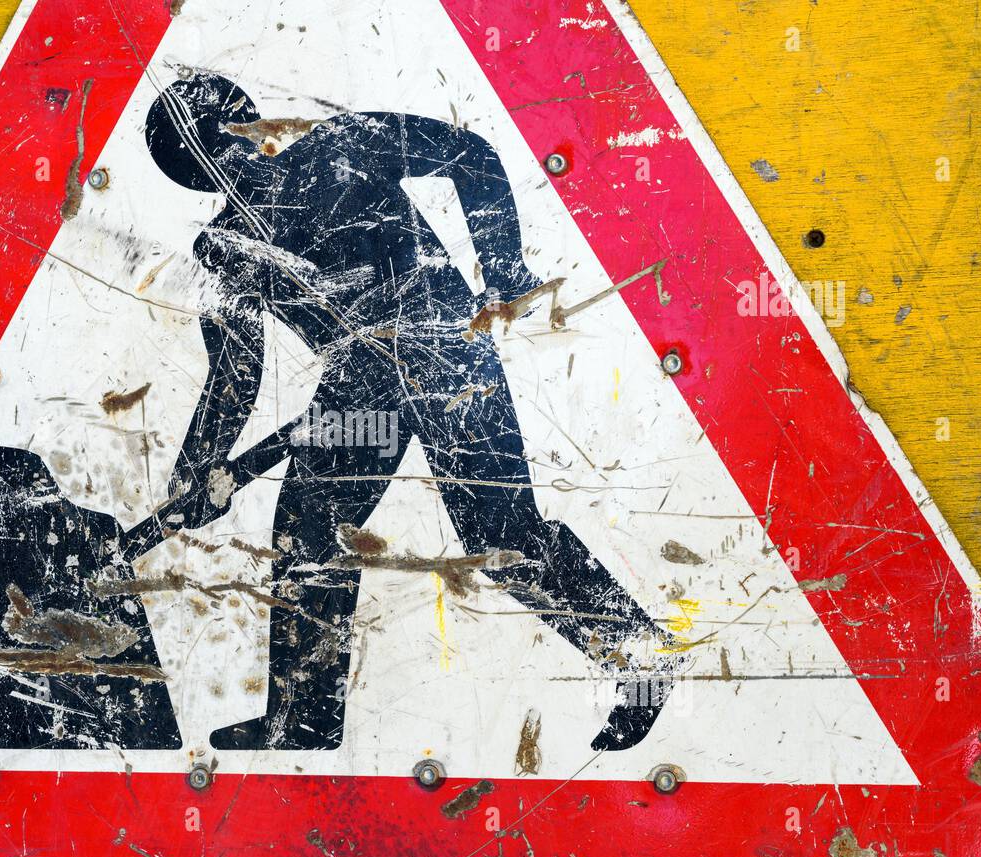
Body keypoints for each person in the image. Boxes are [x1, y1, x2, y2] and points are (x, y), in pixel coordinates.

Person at [146, 72, 680, 752]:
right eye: (209, 158)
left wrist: (502, 263)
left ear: (249, 123)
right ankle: (305, 716)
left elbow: (470, 154)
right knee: (307, 531)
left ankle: (639, 653)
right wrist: (197, 471)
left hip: (444, 358)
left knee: (500, 532)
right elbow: (234, 372)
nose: (234, 160)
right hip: (357, 395)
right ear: (195, 176)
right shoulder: (224, 248)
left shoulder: (339, 145)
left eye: (231, 139)